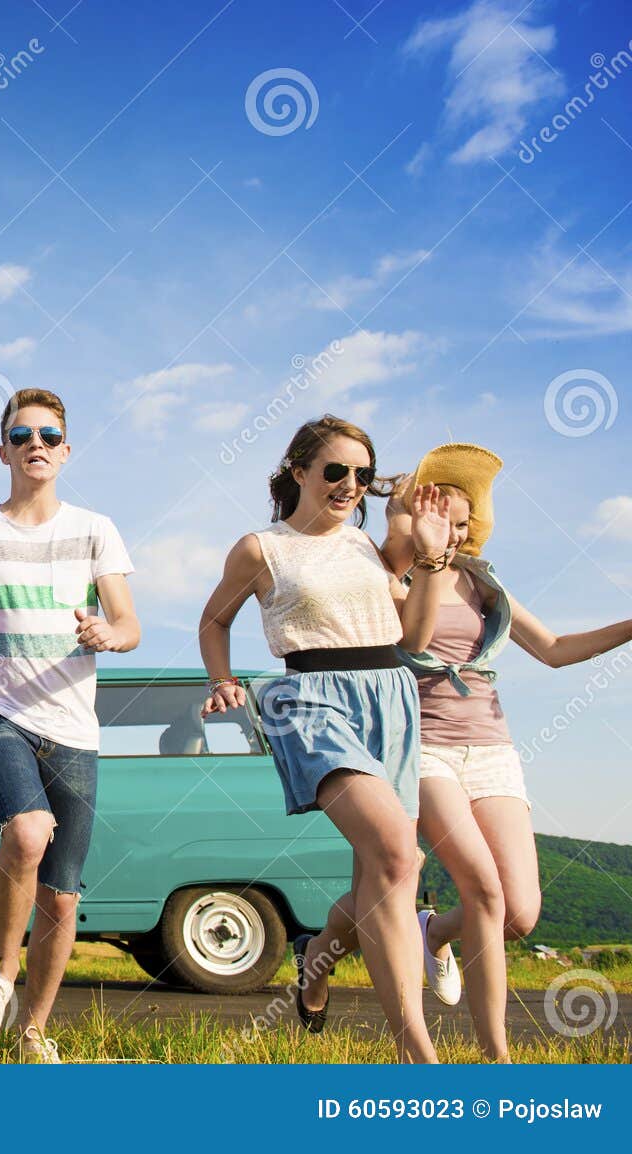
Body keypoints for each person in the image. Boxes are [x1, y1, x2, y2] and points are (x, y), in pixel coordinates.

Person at [304, 444, 632, 1062]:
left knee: (521, 912)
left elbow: (556, 648)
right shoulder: (385, 576)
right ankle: (496, 1057)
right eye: (440, 519)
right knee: (482, 888)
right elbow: (413, 639)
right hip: (420, 746)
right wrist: (417, 542)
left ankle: (391, 938)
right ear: (410, 518)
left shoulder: (484, 581)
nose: (452, 535)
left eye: (461, 523)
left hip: (492, 747)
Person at [198, 415, 450, 1064]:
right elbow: (213, 619)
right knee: (397, 850)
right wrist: (222, 679)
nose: (349, 485)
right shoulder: (262, 548)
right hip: (308, 698)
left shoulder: (374, 547)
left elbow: (416, 639)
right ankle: (419, 1054)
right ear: (299, 472)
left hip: (390, 697)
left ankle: (317, 956)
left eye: (362, 475)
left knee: (390, 874)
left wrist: (431, 553)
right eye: (335, 471)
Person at [0, 388, 139, 1063]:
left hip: (74, 730)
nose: (34, 444)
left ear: (65, 451)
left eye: (48, 434)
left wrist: (110, 633)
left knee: (62, 898)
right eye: (21, 435)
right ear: (4, 449)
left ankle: (34, 1030)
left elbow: (129, 623)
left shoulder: (96, 529)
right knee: (28, 830)